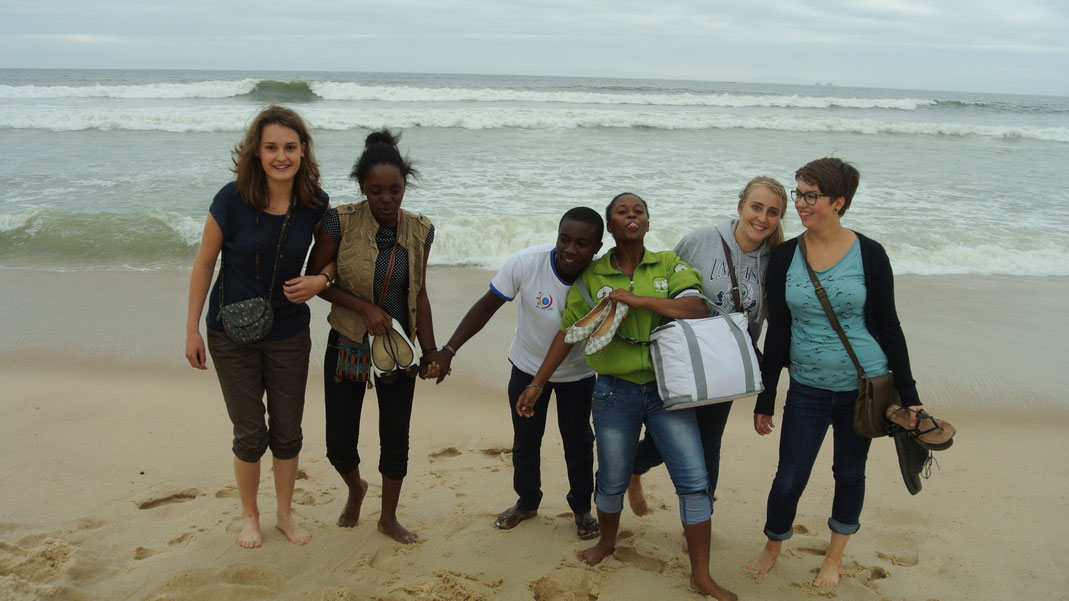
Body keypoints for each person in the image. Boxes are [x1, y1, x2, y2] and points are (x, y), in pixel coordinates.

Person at [516, 193, 737, 601]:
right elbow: (569, 332)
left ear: (647, 224)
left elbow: (695, 307)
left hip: (668, 390)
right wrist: (537, 384)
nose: (631, 216)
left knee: (694, 480)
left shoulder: (667, 263)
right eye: (622, 212)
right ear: (611, 227)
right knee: (612, 478)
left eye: (639, 212)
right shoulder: (593, 274)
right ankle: (606, 543)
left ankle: (701, 575)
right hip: (613, 391)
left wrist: (636, 300)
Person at [744, 158, 925, 587]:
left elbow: (889, 326)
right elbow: (779, 330)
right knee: (789, 476)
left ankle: (835, 557)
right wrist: (766, 398)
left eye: (812, 196)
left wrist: (911, 396)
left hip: (864, 389)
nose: (801, 204)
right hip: (806, 388)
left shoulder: (870, 254)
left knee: (849, 473)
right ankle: (773, 546)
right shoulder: (786, 255)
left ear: (839, 202)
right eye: (798, 194)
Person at [185, 105, 331, 549]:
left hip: (289, 332)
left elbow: (332, 261)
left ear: (303, 151)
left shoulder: (316, 203)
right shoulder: (231, 199)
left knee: (287, 431)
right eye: (271, 147)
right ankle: (250, 516)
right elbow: (204, 263)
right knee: (249, 434)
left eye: (290, 147)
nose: (280, 156)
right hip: (230, 333)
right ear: (256, 152)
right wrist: (191, 329)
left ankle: (285, 514)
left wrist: (320, 281)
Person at [425, 208, 604, 539]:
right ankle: (527, 502)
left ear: (597, 248)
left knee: (578, 442)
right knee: (525, 440)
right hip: (526, 367)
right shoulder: (526, 263)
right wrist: (449, 350)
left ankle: (582, 508)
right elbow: (486, 306)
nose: (570, 249)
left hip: (577, 375)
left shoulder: (601, 277)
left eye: (582, 244)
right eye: (564, 239)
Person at [306, 128, 438, 544]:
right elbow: (317, 281)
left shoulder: (421, 230)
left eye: (395, 190)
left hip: (397, 348)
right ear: (362, 187)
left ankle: (388, 517)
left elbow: (419, 292)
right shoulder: (338, 221)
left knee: (395, 438)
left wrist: (431, 350)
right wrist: (363, 308)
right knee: (338, 442)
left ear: (405, 185)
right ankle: (355, 488)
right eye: (376, 190)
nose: (386, 199)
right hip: (348, 341)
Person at [628, 176, 787, 515]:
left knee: (709, 445)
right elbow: (662, 284)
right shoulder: (701, 241)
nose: (762, 218)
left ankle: (702, 517)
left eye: (772, 212)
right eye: (756, 207)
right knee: (661, 443)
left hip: (727, 367)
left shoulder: (777, 259)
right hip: (683, 358)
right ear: (740, 206)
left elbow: (778, 321)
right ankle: (633, 470)